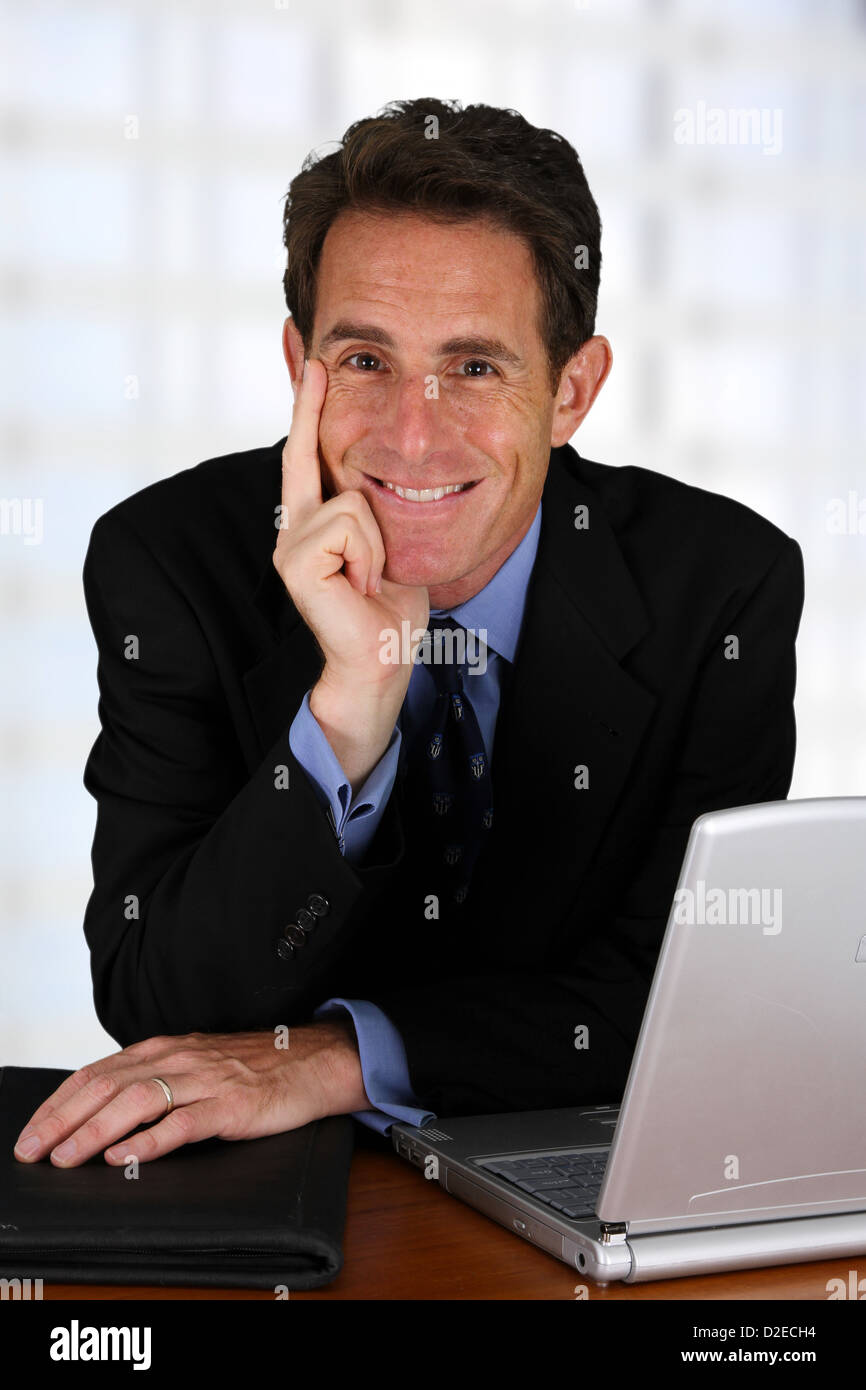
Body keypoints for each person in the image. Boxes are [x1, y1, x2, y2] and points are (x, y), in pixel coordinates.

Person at [13, 98, 803, 1170]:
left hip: (571, 1186)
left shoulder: (717, 586)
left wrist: (333, 1058)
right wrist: (346, 707)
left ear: (570, 390)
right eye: (364, 360)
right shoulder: (169, 561)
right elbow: (160, 993)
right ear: (301, 364)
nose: (412, 434)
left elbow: (678, 1007)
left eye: (474, 366)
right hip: (278, 1199)